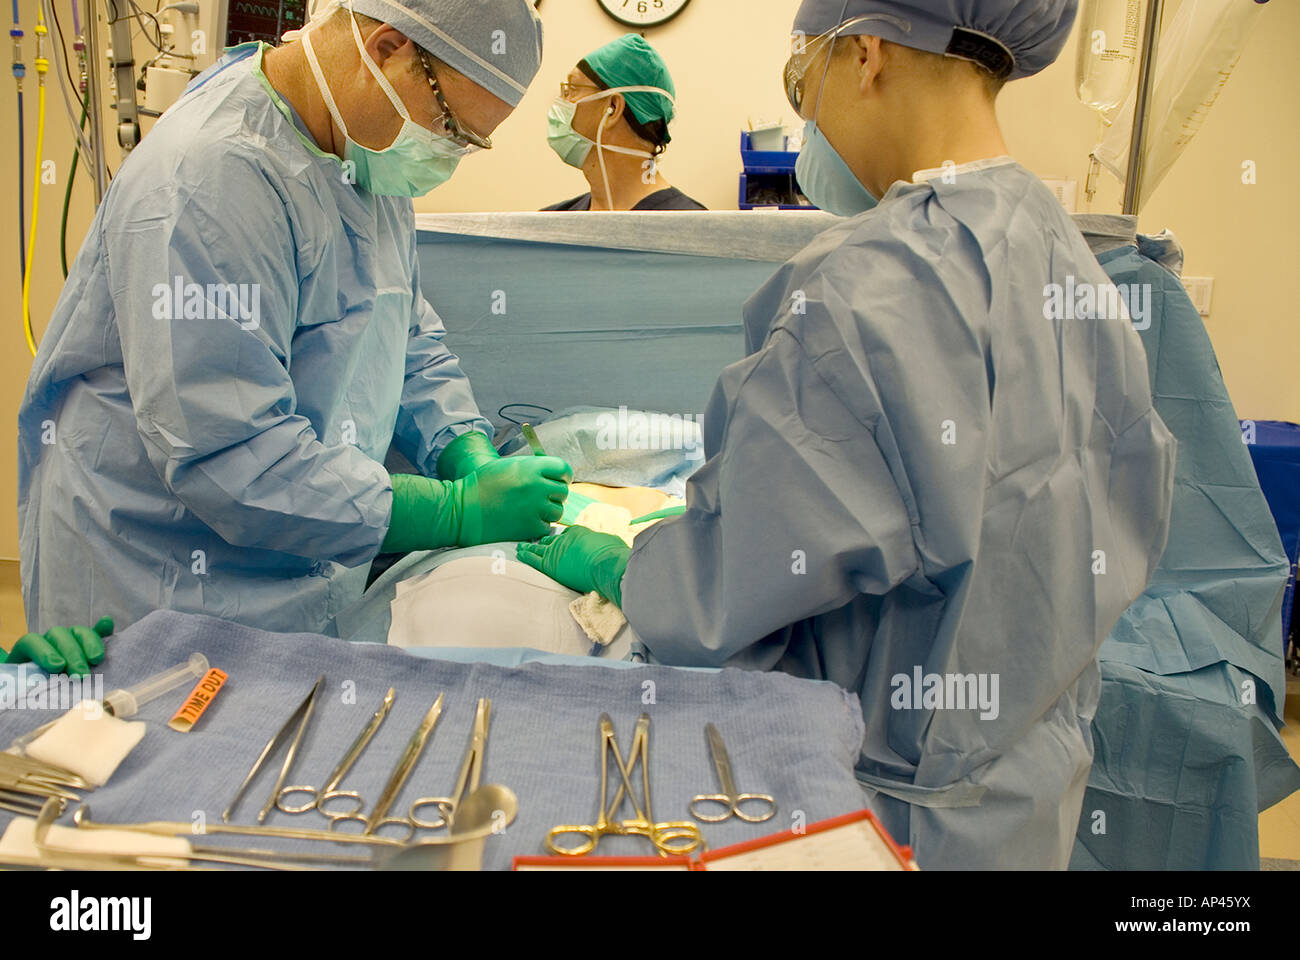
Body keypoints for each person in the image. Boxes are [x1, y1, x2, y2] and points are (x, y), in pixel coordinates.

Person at [519, 0, 1177, 869]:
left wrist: (628, 568)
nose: (807, 117)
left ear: (866, 53)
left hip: (868, 811)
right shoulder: (1074, 265)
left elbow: (726, 596)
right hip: (1025, 806)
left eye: (804, 80)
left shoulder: (867, 289)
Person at [13, 0, 572, 673]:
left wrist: (463, 449)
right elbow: (232, 456)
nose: (448, 155)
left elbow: (406, 337)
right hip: (158, 571)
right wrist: (455, 512)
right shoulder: (209, 176)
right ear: (388, 49)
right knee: (155, 731)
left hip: (295, 562)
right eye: (451, 128)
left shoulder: (363, 156)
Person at [542, 33, 705, 211]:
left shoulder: (690, 223)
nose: (561, 100)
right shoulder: (552, 219)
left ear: (612, 108)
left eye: (572, 89)